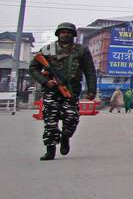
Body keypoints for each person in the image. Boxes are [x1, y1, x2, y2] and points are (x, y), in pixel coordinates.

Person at [29, 22, 96, 161]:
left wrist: (92, 90)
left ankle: (65, 137)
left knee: (71, 118)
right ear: (58, 34)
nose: (65, 34)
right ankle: (50, 149)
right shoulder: (48, 49)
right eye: (63, 32)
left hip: (71, 89)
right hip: (51, 90)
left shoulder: (81, 50)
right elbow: (33, 68)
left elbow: (89, 71)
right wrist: (45, 81)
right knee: (50, 120)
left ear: (73, 35)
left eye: (68, 32)